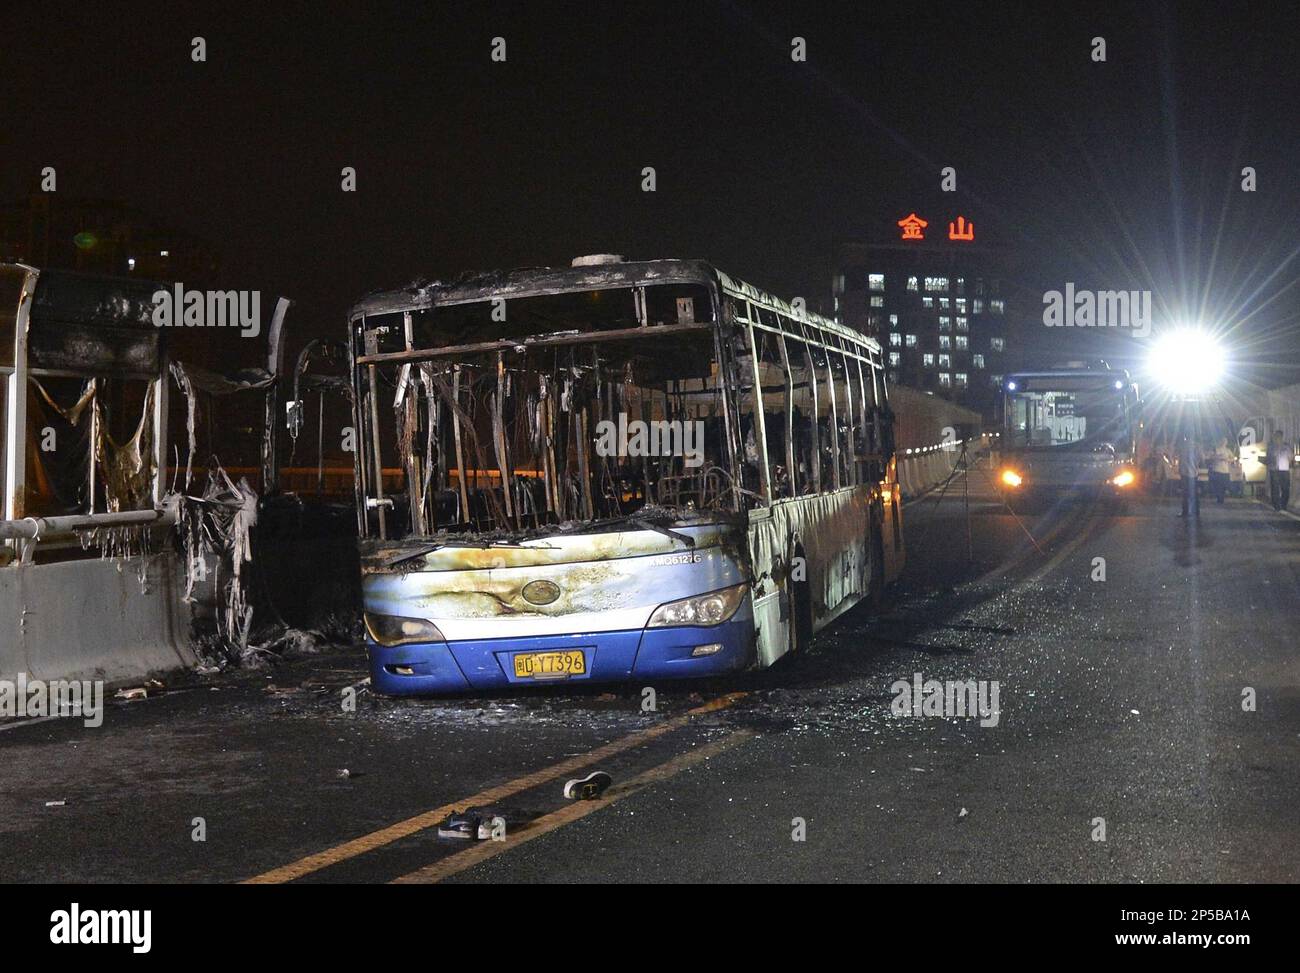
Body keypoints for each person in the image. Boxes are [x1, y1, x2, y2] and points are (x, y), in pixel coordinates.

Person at [1264, 430, 1292, 511]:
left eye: (1278, 437)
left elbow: (1291, 457)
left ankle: (1284, 505)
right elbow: (1268, 458)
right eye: (1276, 437)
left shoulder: (1286, 447)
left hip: (1284, 470)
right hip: (1274, 470)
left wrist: (1289, 462)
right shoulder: (1271, 447)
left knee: (1285, 488)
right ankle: (1276, 505)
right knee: (1275, 489)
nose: (1277, 438)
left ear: (1281, 437)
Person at [1179, 433, 1203, 519]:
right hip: (1194, 472)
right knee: (1194, 493)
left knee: (1185, 493)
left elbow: (1180, 458)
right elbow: (1201, 458)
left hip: (1184, 472)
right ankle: (1196, 511)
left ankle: (1185, 511)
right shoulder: (1198, 446)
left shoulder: (1183, 446)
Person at [1209, 437, 1233, 504]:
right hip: (1217, 469)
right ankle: (1219, 499)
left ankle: (1221, 498)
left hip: (1225, 470)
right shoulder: (1216, 449)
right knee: (1218, 485)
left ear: (1226, 442)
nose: (1224, 442)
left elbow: (1232, 458)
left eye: (1225, 441)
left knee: (1224, 485)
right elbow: (1211, 457)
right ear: (1220, 442)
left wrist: (1227, 459)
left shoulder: (1228, 450)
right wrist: (1219, 457)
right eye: (1222, 441)